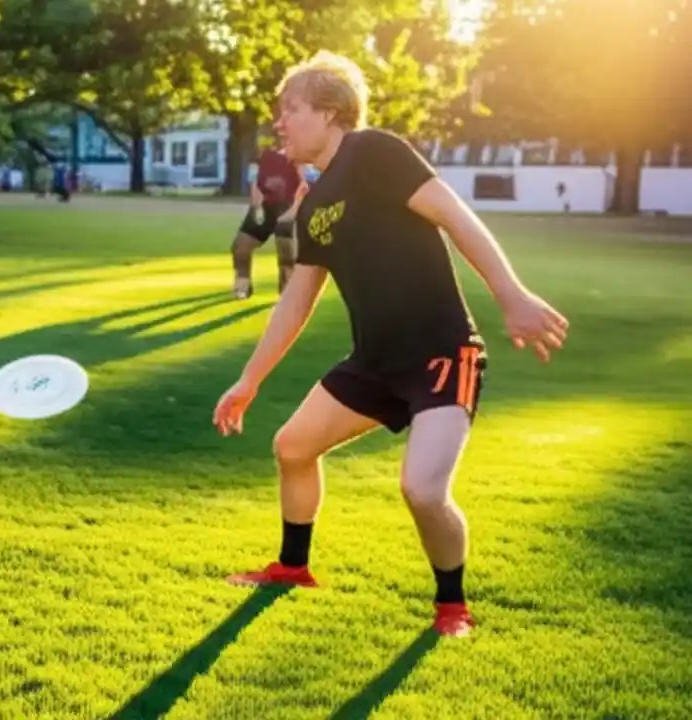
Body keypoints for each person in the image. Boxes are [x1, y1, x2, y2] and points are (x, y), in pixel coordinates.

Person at [212, 51, 569, 637]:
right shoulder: (314, 205)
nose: (280, 123)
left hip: (441, 355)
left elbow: (455, 217)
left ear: (329, 112)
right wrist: (248, 381)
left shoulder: (374, 151)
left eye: (290, 110)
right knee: (293, 447)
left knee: (422, 489)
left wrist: (511, 294)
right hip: (373, 364)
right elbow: (296, 301)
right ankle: (292, 568)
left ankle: (451, 606)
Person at [230, 145, 303, 299]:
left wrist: (294, 210)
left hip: (287, 207)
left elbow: (304, 185)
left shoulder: (299, 151)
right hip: (265, 206)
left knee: (286, 256)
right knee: (240, 248)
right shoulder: (264, 152)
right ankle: (243, 287)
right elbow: (255, 181)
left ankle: (286, 296)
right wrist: (256, 206)